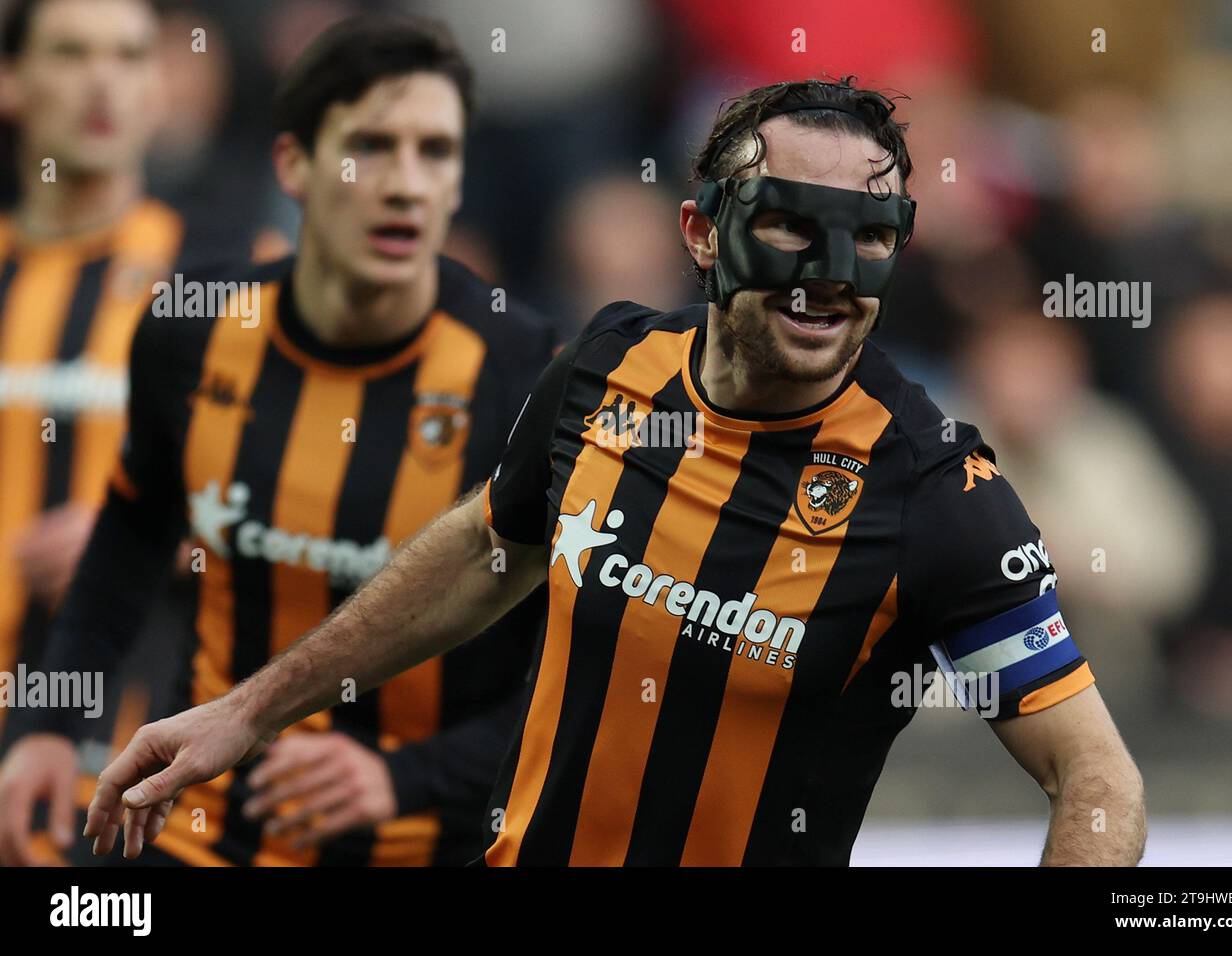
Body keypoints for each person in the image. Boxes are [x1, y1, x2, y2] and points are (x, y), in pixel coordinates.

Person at [85, 78, 1145, 866]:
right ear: (700, 230)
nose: (829, 276)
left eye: (869, 236)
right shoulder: (610, 364)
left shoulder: (934, 493)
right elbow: (485, 547)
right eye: (788, 225)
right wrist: (248, 710)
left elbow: (1097, 779)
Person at [1, 14, 552, 867]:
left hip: (413, 846)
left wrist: (406, 778)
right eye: (370, 146)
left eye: (435, 152)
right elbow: (131, 532)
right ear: (293, 163)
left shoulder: (521, 372)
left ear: (458, 182)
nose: (405, 183)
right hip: (192, 837)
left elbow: (567, 666)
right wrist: (44, 723)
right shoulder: (193, 330)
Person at [0, 0, 195, 861]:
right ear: (11, 82)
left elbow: (313, 520)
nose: (103, 81)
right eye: (72, 53)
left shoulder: (232, 281)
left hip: (133, 767)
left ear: (159, 85)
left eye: (128, 55)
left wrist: (144, 539)